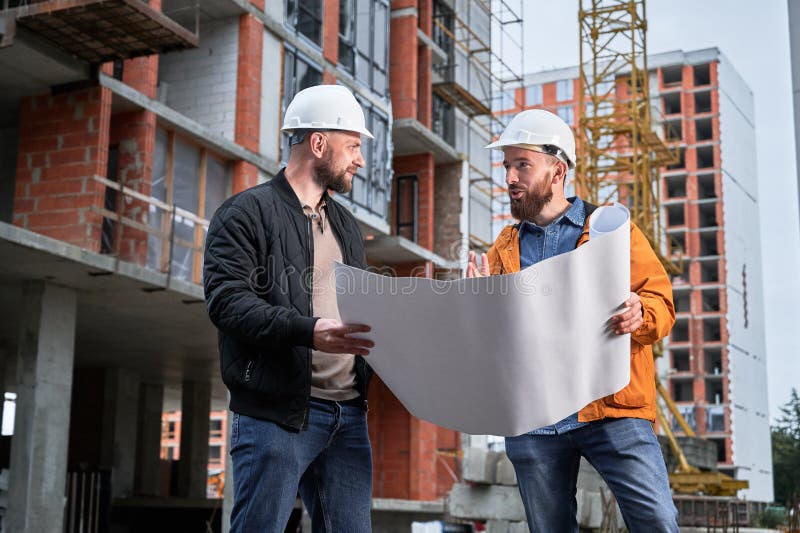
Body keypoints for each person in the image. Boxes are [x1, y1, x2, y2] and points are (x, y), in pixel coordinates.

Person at [467, 109, 678, 532]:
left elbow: (661, 302)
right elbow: (495, 342)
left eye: (521, 164)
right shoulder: (502, 250)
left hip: (612, 408)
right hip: (536, 418)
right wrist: (476, 305)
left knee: (657, 521)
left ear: (558, 169)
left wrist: (641, 312)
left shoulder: (611, 230)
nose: (509, 177)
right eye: (507, 165)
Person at [203, 84, 376, 532]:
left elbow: (362, 305)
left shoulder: (347, 226)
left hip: (349, 416)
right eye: (353, 146)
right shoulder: (244, 213)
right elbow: (227, 302)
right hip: (275, 416)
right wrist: (308, 329)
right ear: (318, 144)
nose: (360, 160)